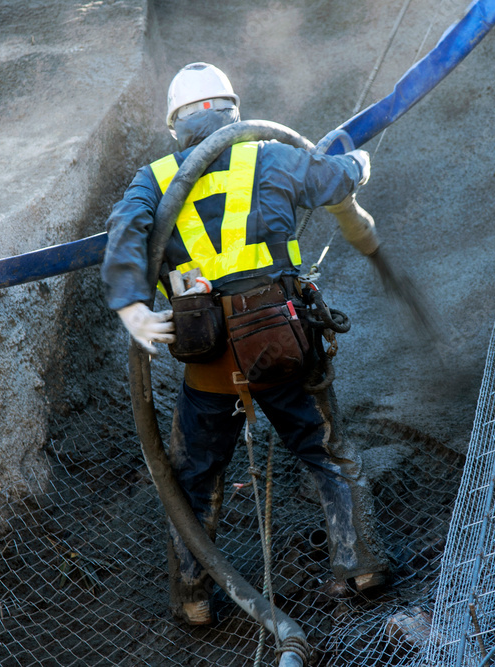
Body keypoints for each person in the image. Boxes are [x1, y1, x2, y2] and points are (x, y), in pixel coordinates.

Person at [101, 62, 390, 625]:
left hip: (209, 358)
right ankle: (361, 565)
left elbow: (125, 232)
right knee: (325, 450)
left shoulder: (154, 178)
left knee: (194, 477)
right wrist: (357, 162)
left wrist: (132, 308)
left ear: (175, 122)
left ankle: (194, 598)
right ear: (231, 109)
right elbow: (333, 182)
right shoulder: (269, 153)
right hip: (281, 343)